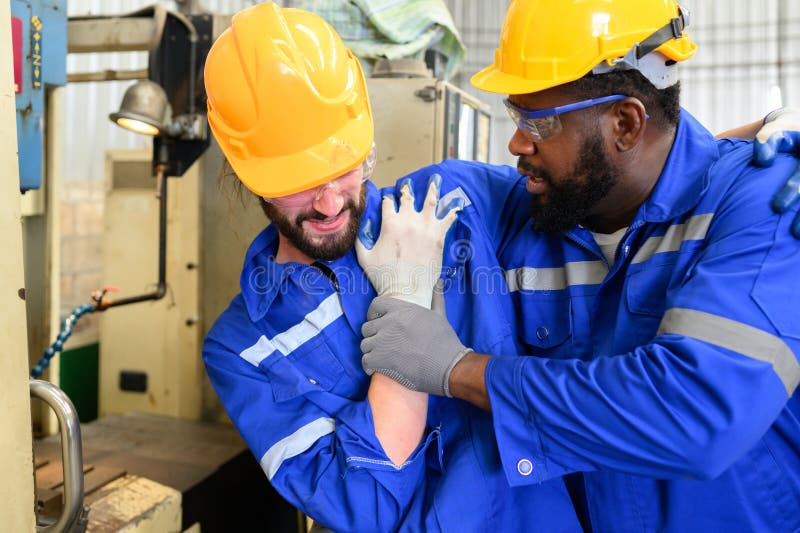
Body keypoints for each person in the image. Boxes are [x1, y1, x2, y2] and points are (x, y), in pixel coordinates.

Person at [360, 1, 800, 531]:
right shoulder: (536, 211)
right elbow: (360, 206)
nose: (516, 143)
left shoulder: (766, 206)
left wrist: (457, 369)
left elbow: (689, 415)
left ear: (625, 123)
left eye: (536, 122)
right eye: (514, 113)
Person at [201, 3, 583, 531]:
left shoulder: (454, 203)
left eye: (344, 168)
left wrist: (716, 155)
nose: (331, 203)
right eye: (298, 183)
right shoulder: (243, 347)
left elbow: (597, 189)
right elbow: (365, 506)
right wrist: (405, 300)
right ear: (250, 176)